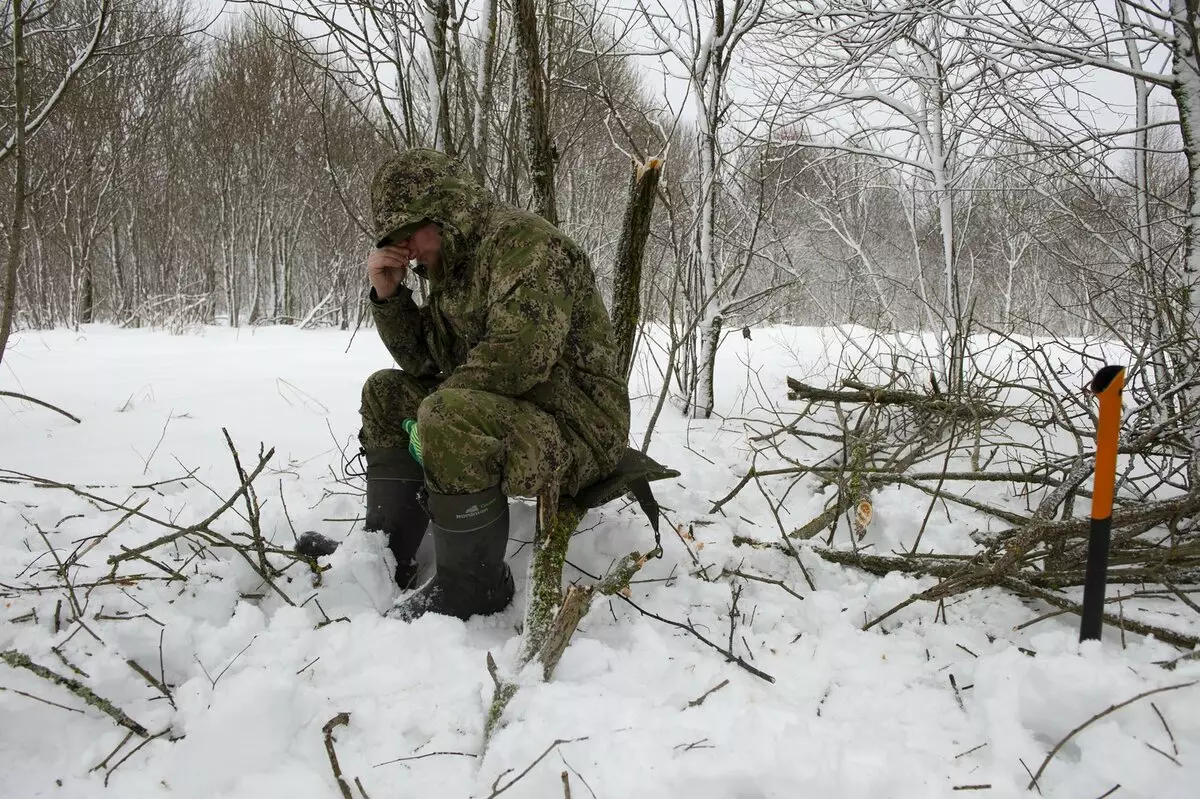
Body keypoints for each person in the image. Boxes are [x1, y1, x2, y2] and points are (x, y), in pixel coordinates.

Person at [358, 148, 630, 623]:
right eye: (394, 240)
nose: (407, 250)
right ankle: (386, 554)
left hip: (578, 428)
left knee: (443, 415)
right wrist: (390, 295)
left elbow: (517, 358)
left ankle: (473, 588)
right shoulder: (451, 266)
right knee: (385, 393)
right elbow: (426, 361)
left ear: (444, 209)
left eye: (408, 233)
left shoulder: (526, 246)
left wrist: (438, 418)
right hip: (514, 414)